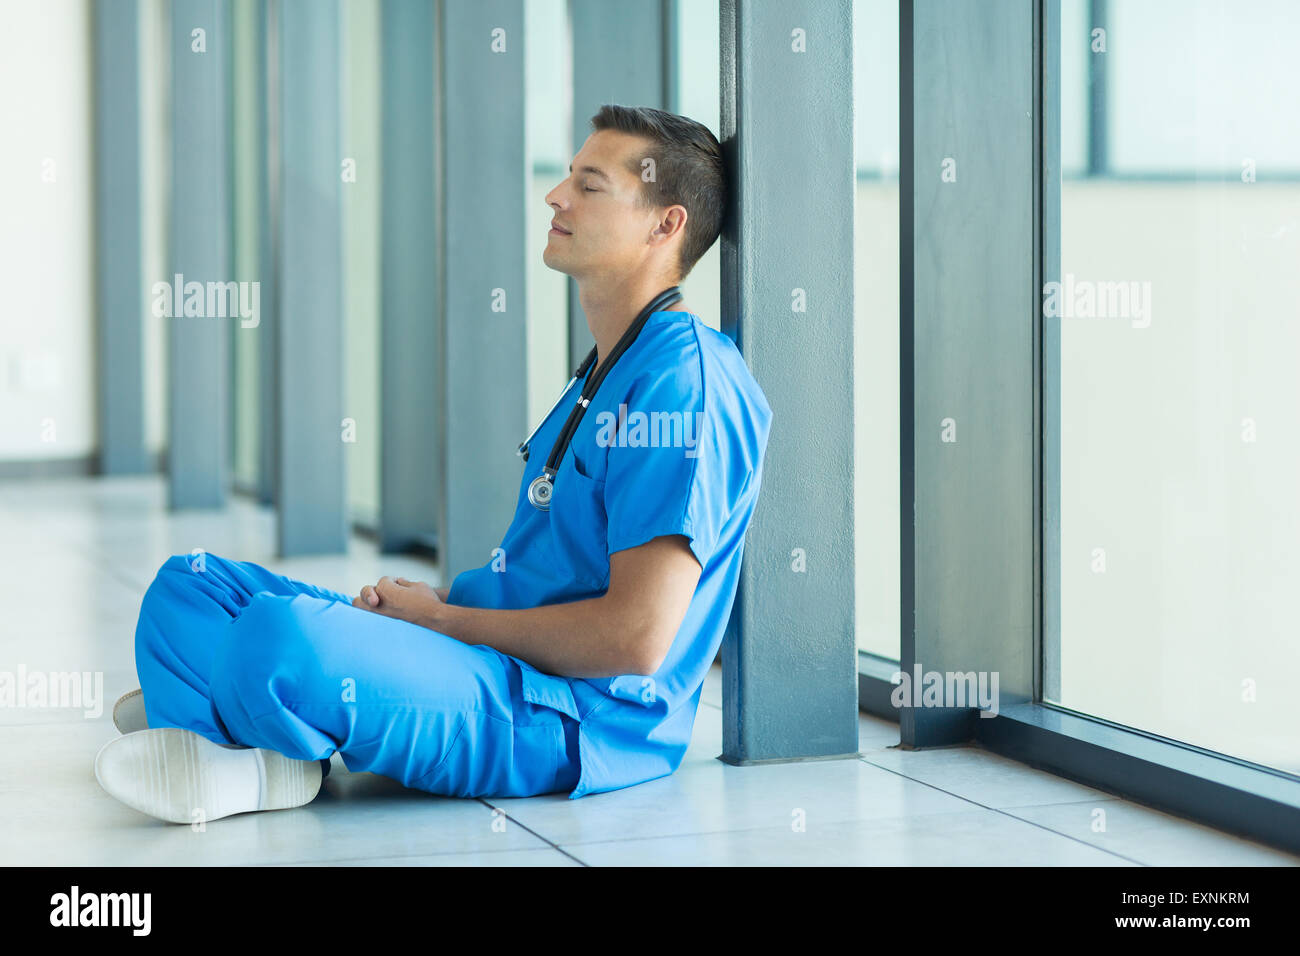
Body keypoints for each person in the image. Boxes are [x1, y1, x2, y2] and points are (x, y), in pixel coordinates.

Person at [95, 104, 772, 824]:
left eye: (590, 185)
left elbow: (635, 640)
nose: (556, 195)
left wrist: (444, 623)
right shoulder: (605, 369)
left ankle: (230, 739)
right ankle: (244, 724)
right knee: (187, 590)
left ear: (665, 225)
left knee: (276, 638)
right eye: (568, 177)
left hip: (568, 715)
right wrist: (443, 612)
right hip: (486, 658)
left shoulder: (683, 383)